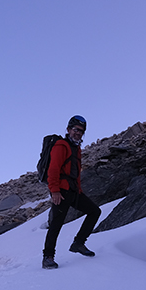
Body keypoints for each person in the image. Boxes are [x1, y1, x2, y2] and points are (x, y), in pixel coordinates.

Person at [42, 115, 101, 270]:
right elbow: (53, 169)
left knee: (94, 211)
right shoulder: (61, 145)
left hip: (73, 191)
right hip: (61, 191)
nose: (78, 133)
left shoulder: (76, 148)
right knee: (56, 224)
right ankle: (48, 257)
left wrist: (79, 189)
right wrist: (54, 191)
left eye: (81, 131)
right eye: (75, 129)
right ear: (68, 129)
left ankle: (78, 243)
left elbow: (75, 172)